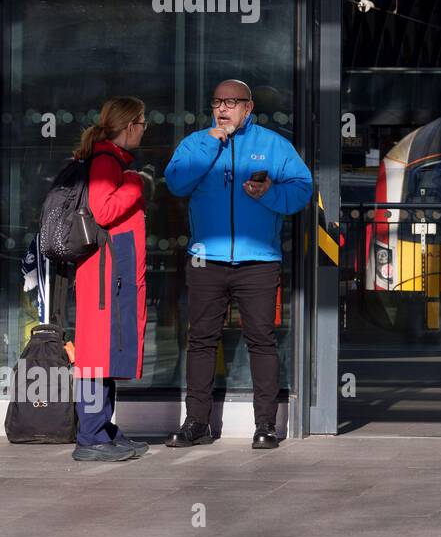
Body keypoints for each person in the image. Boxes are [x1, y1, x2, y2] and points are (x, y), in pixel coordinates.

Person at [163, 80, 312, 449]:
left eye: (232, 102)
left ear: (249, 107)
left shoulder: (273, 145)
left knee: (260, 340)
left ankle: (265, 426)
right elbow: (176, 183)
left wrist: (270, 193)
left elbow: (302, 189)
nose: (223, 109)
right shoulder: (197, 143)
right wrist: (211, 142)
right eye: (217, 102)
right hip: (205, 259)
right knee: (200, 340)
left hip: (258, 260)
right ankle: (197, 422)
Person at [71, 97, 151, 462]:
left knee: (105, 354)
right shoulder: (106, 161)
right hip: (106, 273)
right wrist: (135, 183)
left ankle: (103, 429)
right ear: (129, 124)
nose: (145, 128)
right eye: (143, 122)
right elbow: (104, 210)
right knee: (93, 355)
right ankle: (90, 436)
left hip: (110, 270)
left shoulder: (109, 158)